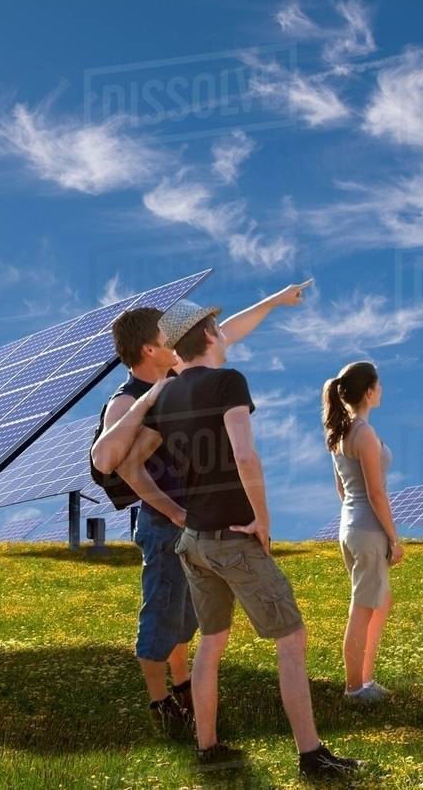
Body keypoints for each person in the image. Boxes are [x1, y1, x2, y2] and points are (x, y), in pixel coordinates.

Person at [103, 302, 362, 778]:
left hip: (194, 542)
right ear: (209, 336)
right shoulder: (229, 382)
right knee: (291, 638)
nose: (225, 333)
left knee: (213, 642)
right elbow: (245, 456)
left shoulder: (167, 394)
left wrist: (178, 512)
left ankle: (208, 747)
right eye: (219, 328)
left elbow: (121, 463)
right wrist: (262, 520)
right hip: (233, 536)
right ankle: (310, 755)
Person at [90, 281, 311, 738]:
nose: (176, 338)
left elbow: (225, 332)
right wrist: (171, 511)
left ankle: (190, 694)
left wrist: (273, 300)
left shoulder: (181, 379)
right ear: (152, 348)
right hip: (165, 520)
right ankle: (162, 703)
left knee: (192, 619)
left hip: (198, 521)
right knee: (164, 613)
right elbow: (114, 464)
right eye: (165, 335)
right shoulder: (127, 399)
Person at [322, 361, 404, 704]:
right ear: (369, 392)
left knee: (376, 602)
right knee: (362, 608)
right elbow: (376, 493)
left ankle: (365, 680)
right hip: (368, 529)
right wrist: (393, 538)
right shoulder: (364, 434)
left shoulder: (340, 433)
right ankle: (355, 688)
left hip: (350, 525)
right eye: (379, 385)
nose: (382, 390)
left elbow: (342, 489)